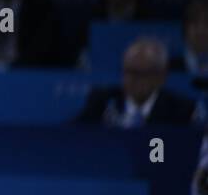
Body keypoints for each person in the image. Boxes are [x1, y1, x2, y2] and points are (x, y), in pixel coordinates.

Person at [75, 38, 205, 128]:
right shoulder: (102, 102)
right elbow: (72, 132)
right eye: (128, 72)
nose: (133, 79)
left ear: (161, 77)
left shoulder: (183, 112)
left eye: (141, 73)